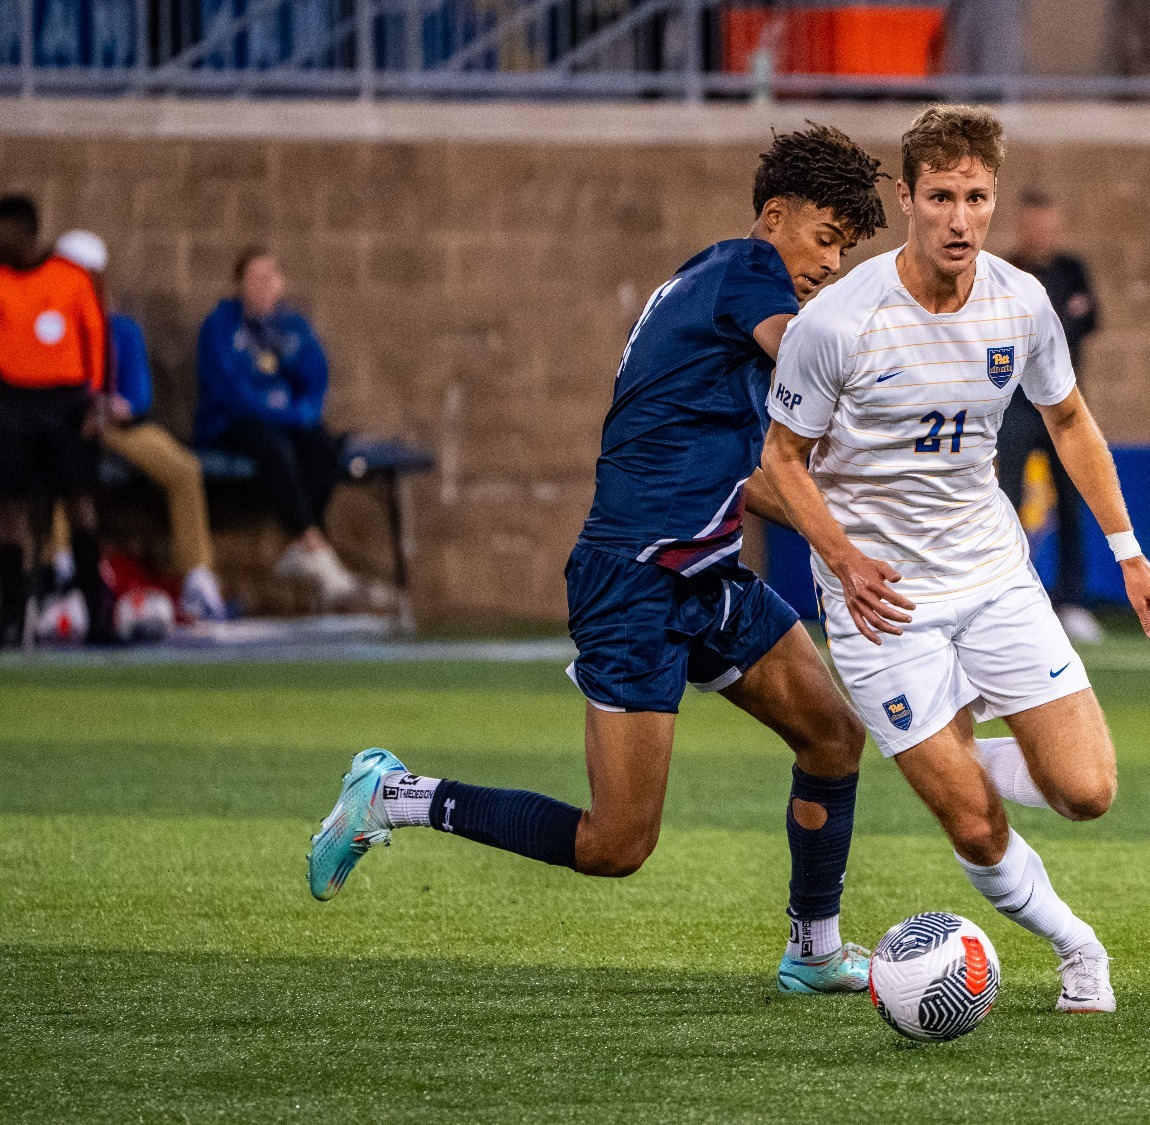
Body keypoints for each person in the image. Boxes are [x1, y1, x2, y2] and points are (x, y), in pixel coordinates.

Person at [308, 124, 889, 995]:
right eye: (826, 238)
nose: (832, 264)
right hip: (635, 582)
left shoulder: (717, 293)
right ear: (776, 216)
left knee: (834, 736)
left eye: (845, 251)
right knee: (615, 844)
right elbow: (812, 362)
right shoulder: (749, 274)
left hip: (702, 575)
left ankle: (813, 949)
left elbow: (748, 476)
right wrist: (917, 377)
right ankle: (395, 794)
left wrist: (849, 527)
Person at [761, 105, 1150, 1014]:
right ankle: (1078, 947)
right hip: (882, 604)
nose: (961, 218)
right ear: (907, 197)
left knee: (1087, 790)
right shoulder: (839, 321)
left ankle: (939, 752)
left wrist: (1130, 555)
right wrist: (842, 557)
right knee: (975, 824)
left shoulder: (1021, 302)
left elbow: (1069, 419)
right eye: (942, 196)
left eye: (977, 197)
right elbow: (781, 459)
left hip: (992, 579)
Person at [52, 230, 227, 622]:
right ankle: (63, 566)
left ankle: (196, 575)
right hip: (68, 425)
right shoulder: (52, 326)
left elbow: (139, 395)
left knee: (183, 468)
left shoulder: (123, 329)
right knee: (63, 465)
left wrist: (117, 408)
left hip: (120, 425)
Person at [195, 247, 355, 603]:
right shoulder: (219, 327)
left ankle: (302, 543)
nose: (265, 285)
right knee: (274, 449)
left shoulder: (293, 327)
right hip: (232, 421)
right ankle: (316, 547)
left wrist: (301, 412)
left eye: (271, 277)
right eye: (256, 278)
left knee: (322, 448)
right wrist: (276, 412)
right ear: (239, 284)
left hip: (286, 417)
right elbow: (230, 389)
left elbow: (314, 378)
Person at [0, 194, 116, 647]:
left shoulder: (70, 278)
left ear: (26, 232)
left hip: (66, 404)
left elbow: (97, 338)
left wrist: (98, 400)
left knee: (79, 504)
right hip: (12, 402)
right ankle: (12, 616)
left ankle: (97, 616)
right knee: (8, 508)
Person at [998, 186, 1100, 642]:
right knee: (1007, 499)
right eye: (1032, 223)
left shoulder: (1072, 269)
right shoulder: (1005, 271)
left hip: (1063, 406)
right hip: (1017, 406)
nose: (1040, 231)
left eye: (1047, 223)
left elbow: (1088, 320)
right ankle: (1007, 596)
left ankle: (1072, 601)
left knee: (1073, 503)